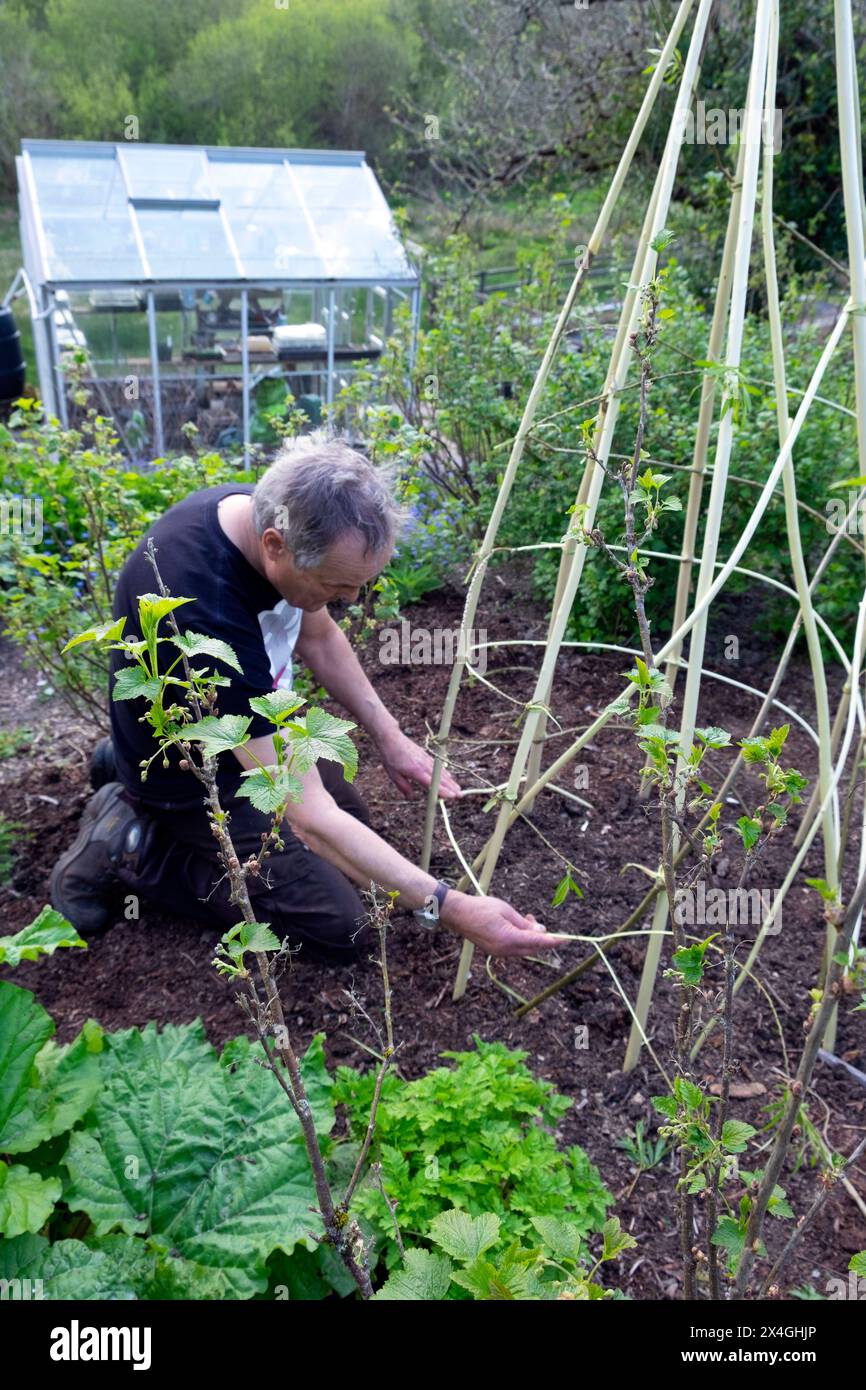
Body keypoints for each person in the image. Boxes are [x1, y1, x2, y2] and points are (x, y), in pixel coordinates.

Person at [51, 436, 561, 965]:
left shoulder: (272, 516)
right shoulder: (206, 615)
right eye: (337, 586)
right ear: (275, 545)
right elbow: (309, 816)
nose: (349, 602)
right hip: (195, 774)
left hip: (242, 728)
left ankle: (122, 764)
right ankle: (132, 845)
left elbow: (316, 638)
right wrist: (447, 907)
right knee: (344, 924)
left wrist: (390, 737)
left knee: (356, 839)